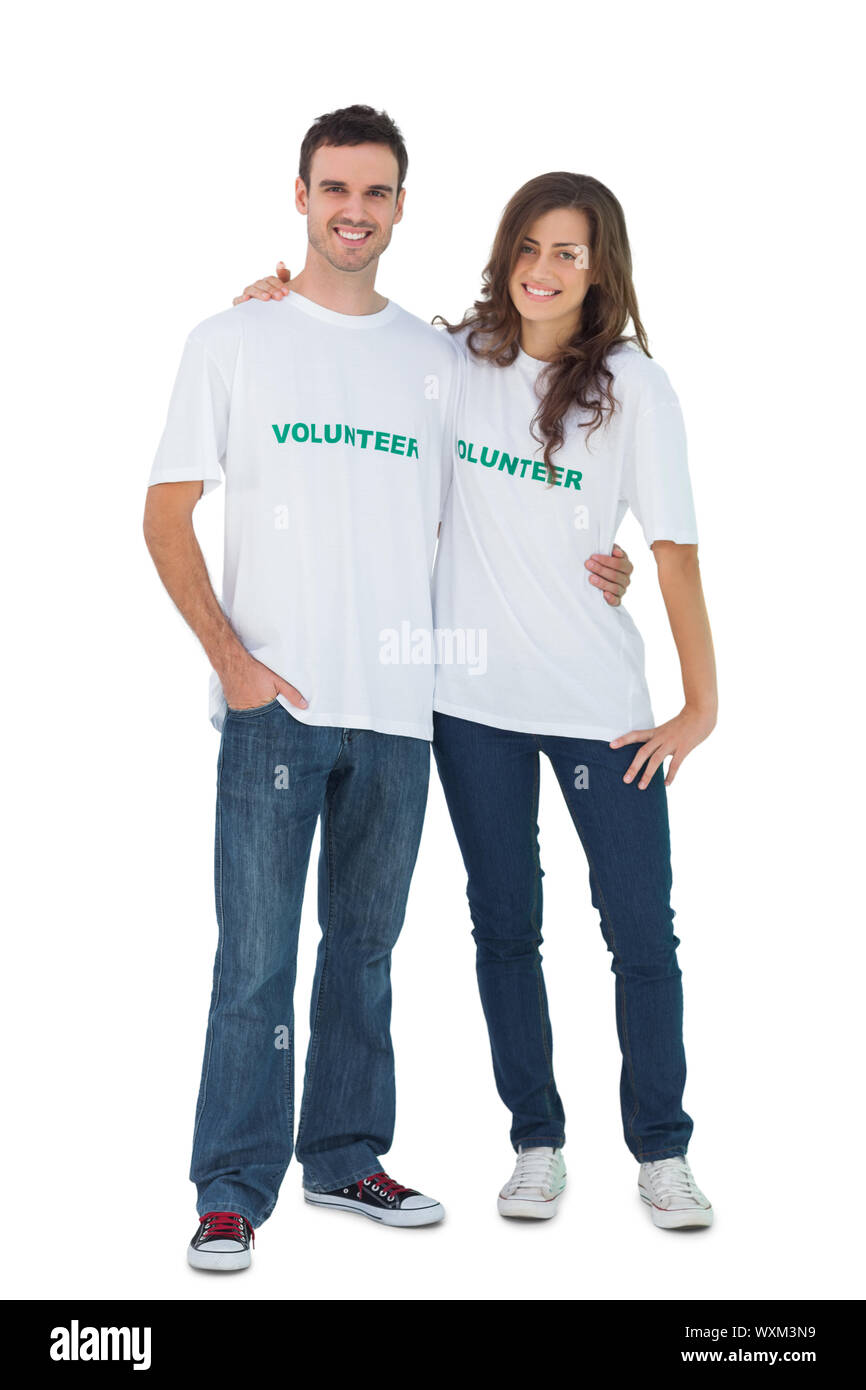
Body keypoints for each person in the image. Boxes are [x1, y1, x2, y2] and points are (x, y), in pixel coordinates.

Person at [234, 169, 715, 1231]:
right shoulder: (458, 363)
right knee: (504, 927)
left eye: (568, 254)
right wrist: (275, 296)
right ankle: (535, 1143)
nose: (542, 271)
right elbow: (352, 354)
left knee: (640, 930)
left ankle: (662, 1153)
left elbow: (670, 551)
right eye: (528, 248)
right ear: (506, 253)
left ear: (602, 271)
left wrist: (698, 706)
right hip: (468, 704)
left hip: (601, 706)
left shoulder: (637, 386)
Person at [145, 105, 468, 1271]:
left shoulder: (438, 362)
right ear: (299, 194)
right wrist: (231, 663)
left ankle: (342, 1155)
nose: (354, 210)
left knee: (364, 951)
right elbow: (164, 511)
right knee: (254, 960)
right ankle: (230, 1188)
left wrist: (605, 557)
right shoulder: (233, 339)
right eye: (335, 187)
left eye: (375, 192)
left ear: (397, 205)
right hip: (273, 707)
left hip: (400, 710)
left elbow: (489, 505)